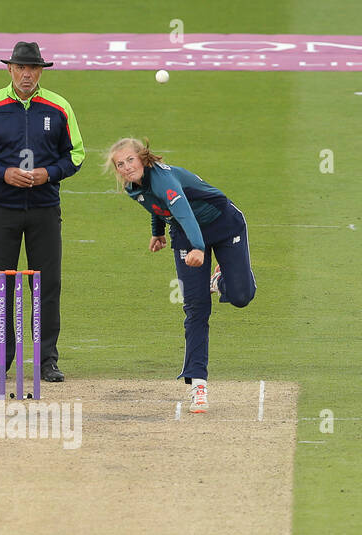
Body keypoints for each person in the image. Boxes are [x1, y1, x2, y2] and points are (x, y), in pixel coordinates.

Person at [0, 41, 84, 385]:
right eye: (21, 68)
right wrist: (3, 173)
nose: (27, 75)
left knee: (46, 286)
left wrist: (49, 173)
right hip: (2, 210)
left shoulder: (58, 107)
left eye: (33, 69)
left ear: (41, 71)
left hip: (45, 209)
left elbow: (75, 155)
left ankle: (47, 361)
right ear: (10, 70)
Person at [106, 137, 257, 413]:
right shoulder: (132, 187)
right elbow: (156, 206)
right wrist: (158, 232)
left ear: (143, 157)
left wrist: (199, 247)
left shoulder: (164, 180)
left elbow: (184, 212)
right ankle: (198, 385)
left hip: (223, 223)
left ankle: (221, 276)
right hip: (186, 235)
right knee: (196, 308)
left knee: (241, 296)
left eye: (130, 160)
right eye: (120, 164)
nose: (126, 167)